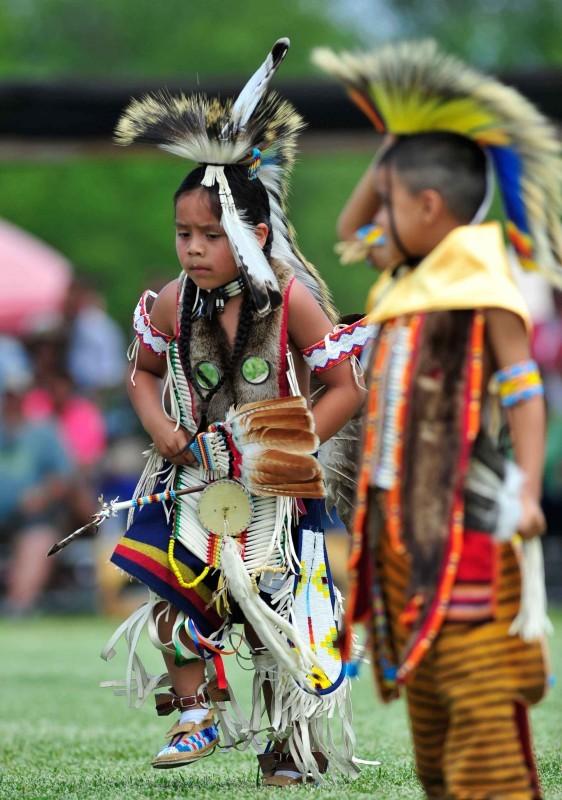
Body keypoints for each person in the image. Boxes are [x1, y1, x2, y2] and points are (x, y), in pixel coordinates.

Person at [100, 39, 365, 787]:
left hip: (277, 486)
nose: (193, 248)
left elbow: (346, 386)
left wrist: (292, 442)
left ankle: (289, 746)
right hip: (192, 470)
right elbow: (142, 375)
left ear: (253, 234)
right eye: (184, 234)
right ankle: (196, 711)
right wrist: (162, 431)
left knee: (283, 615)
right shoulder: (171, 301)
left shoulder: (292, 300)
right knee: (162, 579)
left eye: (211, 235)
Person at [314, 40, 560, 799]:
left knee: (476, 696)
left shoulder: (483, 279)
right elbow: (349, 232)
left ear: (427, 208)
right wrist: (394, 146)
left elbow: (523, 388)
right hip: (398, 525)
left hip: (463, 521)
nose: (374, 220)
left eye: (391, 202)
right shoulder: (406, 272)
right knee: (427, 711)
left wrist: (523, 490)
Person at [0, 342, 72, 615]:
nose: (11, 398)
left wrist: (42, 494)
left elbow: (64, 479)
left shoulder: (44, 431)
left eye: (16, 392)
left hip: (30, 517)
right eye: (7, 392)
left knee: (38, 535)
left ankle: (18, 605)